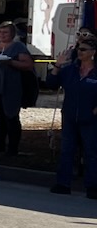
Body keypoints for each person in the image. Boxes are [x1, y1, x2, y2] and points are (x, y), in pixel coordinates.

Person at [45, 41, 97, 198]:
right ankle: (63, 183)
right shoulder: (70, 70)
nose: (79, 52)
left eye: (83, 49)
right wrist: (57, 66)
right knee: (67, 150)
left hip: (91, 119)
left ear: (93, 52)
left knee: (91, 152)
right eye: (78, 49)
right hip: (69, 117)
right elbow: (51, 84)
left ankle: (93, 186)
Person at [0, 21, 34, 156]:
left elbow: (29, 65)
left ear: (12, 34)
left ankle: (13, 148)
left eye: (5, 32)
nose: (2, 35)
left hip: (11, 87)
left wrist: (10, 62)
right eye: (0, 32)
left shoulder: (18, 47)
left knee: (11, 116)